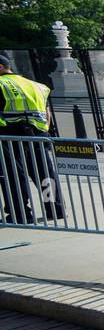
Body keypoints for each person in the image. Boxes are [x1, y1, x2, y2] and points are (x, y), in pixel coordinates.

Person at [0, 54, 64, 224]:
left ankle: (20, 215)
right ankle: (56, 209)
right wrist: (44, 131)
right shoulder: (36, 86)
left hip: (9, 135)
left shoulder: (1, 84)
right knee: (45, 173)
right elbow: (46, 112)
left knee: (13, 176)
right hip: (39, 134)